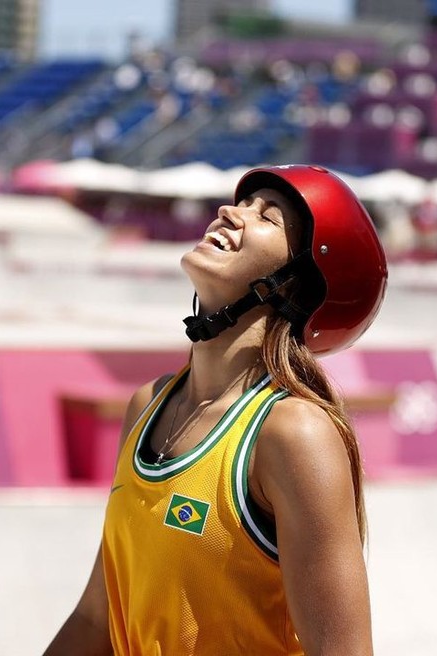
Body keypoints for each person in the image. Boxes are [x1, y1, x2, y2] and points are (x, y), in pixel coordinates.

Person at [43, 165, 388, 655]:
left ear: (293, 284)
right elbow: (96, 617)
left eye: (267, 217)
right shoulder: (148, 405)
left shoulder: (292, 433)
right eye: (240, 204)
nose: (230, 212)